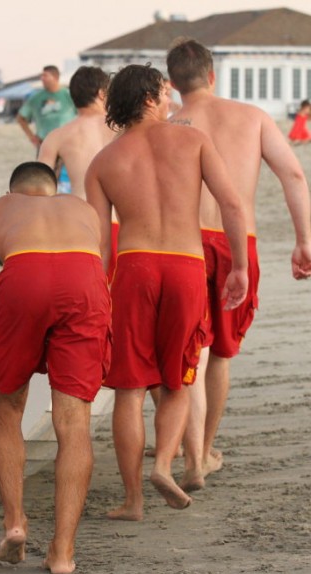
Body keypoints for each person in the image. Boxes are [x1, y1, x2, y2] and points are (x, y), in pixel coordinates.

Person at [85, 63, 248, 520]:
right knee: (178, 378)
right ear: (153, 98)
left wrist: (100, 294)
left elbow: (100, 246)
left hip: (134, 267)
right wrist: (239, 268)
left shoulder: (103, 162)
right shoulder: (192, 139)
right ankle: (162, 465)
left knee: (129, 388)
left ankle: (133, 501)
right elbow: (232, 204)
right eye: (164, 90)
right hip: (185, 265)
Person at [0, 162, 110, 574]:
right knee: (74, 423)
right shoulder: (82, 208)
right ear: (53, 190)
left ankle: (15, 523)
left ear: (11, 191)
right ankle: (63, 552)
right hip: (84, 281)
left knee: (5, 406)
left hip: (24, 279)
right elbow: (99, 263)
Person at [166, 40, 311, 492]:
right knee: (222, 354)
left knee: (195, 348)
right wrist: (304, 240)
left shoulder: (168, 125)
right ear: (212, 75)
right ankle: (205, 452)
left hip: (183, 243)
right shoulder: (253, 117)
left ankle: (189, 458)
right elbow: (293, 175)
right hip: (236, 241)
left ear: (172, 83)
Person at [38, 67, 114, 200]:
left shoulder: (57, 136)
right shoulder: (125, 127)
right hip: (118, 217)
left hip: (81, 214)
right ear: (102, 93)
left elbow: (39, 186)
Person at [16, 65, 76, 152]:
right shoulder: (35, 98)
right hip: (44, 144)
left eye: (45, 76)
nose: (42, 78)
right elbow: (20, 118)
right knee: (44, 166)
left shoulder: (69, 95)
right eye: (41, 76)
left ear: (55, 77)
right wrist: (32, 137)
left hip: (67, 144)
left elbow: (84, 115)